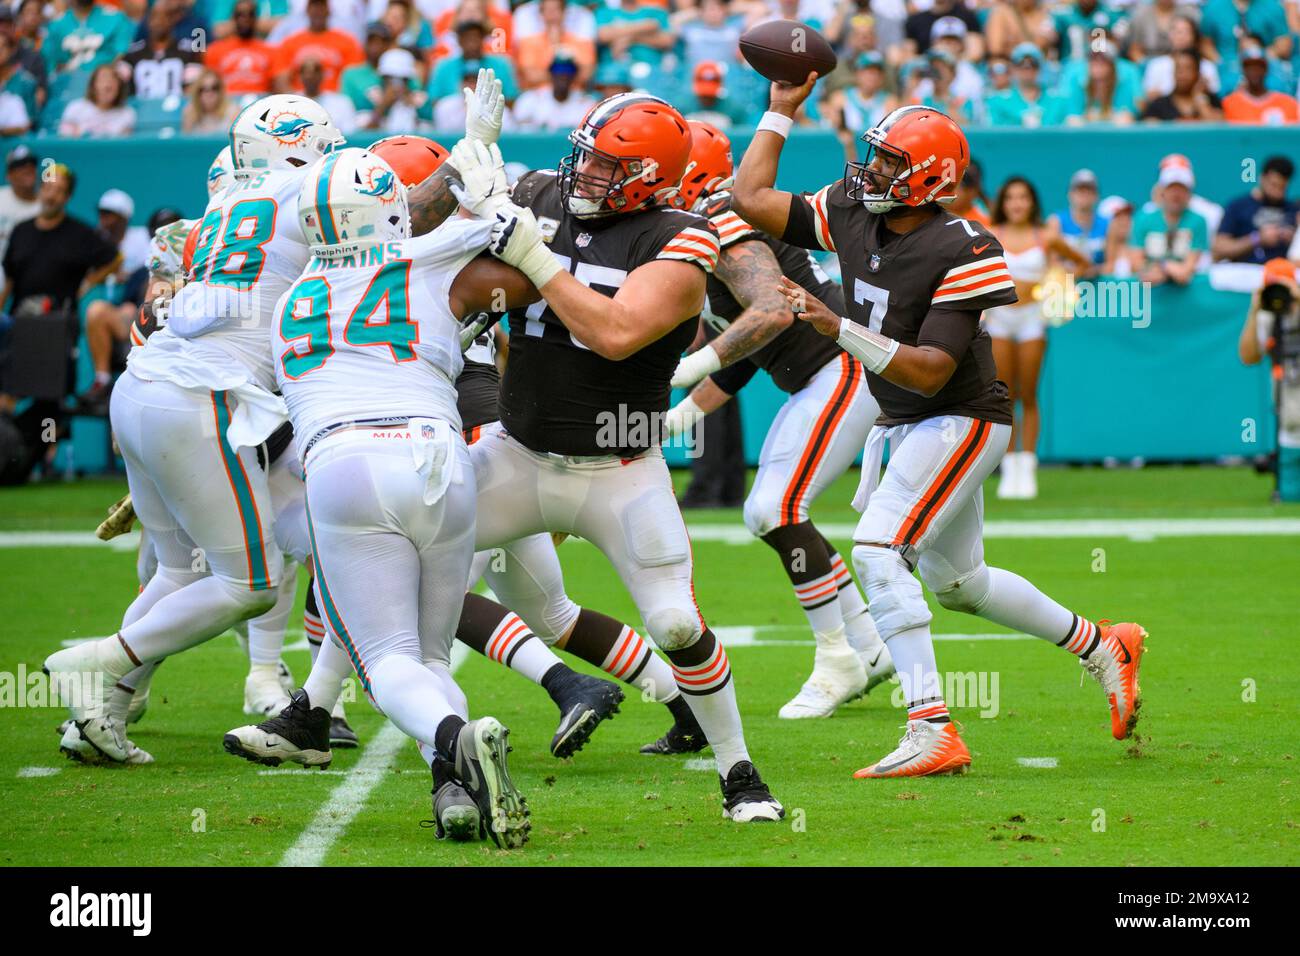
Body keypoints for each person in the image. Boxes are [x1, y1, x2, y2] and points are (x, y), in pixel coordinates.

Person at [733, 90, 1147, 777]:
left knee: (877, 550)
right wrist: (782, 108)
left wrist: (835, 326)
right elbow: (750, 196)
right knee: (962, 584)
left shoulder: (965, 246)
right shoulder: (851, 210)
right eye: (873, 156)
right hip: (906, 421)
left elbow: (930, 372)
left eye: (888, 163)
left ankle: (931, 725)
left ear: (928, 178)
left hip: (960, 417)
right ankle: (1105, 645)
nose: (869, 172)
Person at [452, 90, 786, 820]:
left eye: (604, 166)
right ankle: (332, 715)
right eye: (584, 157)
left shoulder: (683, 235)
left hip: (620, 472)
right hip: (516, 454)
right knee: (406, 571)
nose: (583, 176)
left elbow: (614, 332)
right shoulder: (540, 192)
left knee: (676, 624)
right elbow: (447, 254)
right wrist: (467, 166)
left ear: (647, 176)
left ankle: (739, 772)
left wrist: (533, 257)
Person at [40, 96, 346, 765]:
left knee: (179, 569)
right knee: (254, 581)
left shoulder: (216, 214)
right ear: (304, 149)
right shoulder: (308, 196)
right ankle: (99, 661)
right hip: (201, 402)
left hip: (141, 388)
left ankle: (100, 714)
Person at [263, 145, 532, 847]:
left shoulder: (290, 299)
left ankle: (455, 737)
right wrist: (488, 181)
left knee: (386, 661)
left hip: (349, 459)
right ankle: (457, 793)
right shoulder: (430, 256)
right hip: (443, 454)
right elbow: (515, 233)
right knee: (432, 658)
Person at [664, 121, 893, 719]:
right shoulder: (703, 222)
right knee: (776, 511)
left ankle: (838, 655)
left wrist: (688, 373)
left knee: (774, 508)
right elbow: (740, 351)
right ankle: (867, 645)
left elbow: (772, 317)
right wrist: (685, 412)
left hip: (839, 365)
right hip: (822, 374)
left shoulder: (717, 212)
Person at [1, 163, 120, 476]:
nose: (50, 195)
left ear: (66, 197)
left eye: (58, 190)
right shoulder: (21, 231)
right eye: (47, 188)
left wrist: (88, 284)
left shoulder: (79, 233)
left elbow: (114, 259)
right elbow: (10, 279)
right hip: (19, 324)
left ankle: (45, 454)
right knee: (9, 388)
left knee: (50, 400)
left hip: (57, 327)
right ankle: (11, 448)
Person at [985, 175, 1090, 500]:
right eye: (1011, 197)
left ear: (1032, 203)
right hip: (999, 318)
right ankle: (1007, 467)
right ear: (1003, 202)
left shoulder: (1045, 237)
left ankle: (1027, 467)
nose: (1017, 203)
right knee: (1002, 394)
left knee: (1027, 393)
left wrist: (1053, 283)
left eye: (1024, 197)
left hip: (1033, 319)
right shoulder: (990, 234)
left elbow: (1083, 265)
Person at [1239, 258, 1300, 501]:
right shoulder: (1268, 317)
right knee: (1290, 497)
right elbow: (1248, 356)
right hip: (1289, 422)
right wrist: (1255, 311)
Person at [1127, 162, 1207, 286]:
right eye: (1171, 188)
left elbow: (1186, 271)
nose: (1176, 194)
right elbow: (1135, 261)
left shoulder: (1198, 221)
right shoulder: (1143, 219)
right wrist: (1163, 269)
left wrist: (1165, 269)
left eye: (1181, 189)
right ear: (1162, 191)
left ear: (1189, 193)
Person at [1214, 156, 1298, 265]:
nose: (1277, 193)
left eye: (1282, 188)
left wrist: (1294, 239)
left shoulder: (1293, 210)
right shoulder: (1238, 206)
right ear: (1262, 178)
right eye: (1274, 185)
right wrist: (1257, 239)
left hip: (1282, 272)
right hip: (1245, 271)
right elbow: (1218, 251)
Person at [272, 0, 364, 93]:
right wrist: (295, 101)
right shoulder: (290, 43)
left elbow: (353, 78)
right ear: (307, 10)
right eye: (314, 7)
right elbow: (281, 80)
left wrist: (338, 99)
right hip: (300, 98)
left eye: (321, 7)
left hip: (334, 98)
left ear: (329, 10)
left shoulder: (347, 42)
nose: (318, 11)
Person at [120, 0, 202, 101]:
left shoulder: (188, 51)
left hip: (176, 111)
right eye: (153, 18)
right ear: (148, 22)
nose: (158, 22)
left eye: (164, 17)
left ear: (172, 21)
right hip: (141, 111)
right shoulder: (133, 53)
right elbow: (120, 83)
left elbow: (193, 87)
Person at [824, 52, 895, 162]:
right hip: (847, 157)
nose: (873, 76)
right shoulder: (840, 98)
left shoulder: (890, 102)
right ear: (857, 73)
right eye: (868, 71)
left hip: (877, 158)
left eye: (877, 73)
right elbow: (833, 129)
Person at [514, 0, 596, 89]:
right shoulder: (529, 43)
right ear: (541, 14)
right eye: (548, 10)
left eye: (556, 9)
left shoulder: (580, 42)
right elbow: (530, 75)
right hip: (538, 95)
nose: (552, 14)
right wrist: (567, 74)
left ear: (564, 12)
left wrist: (550, 74)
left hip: (572, 95)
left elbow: (586, 74)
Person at [205, 0, 278, 96]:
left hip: (261, 104)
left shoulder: (271, 51)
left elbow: (278, 88)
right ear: (233, 19)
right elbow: (209, 85)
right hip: (226, 105)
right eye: (240, 15)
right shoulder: (215, 50)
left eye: (250, 15)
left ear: (256, 18)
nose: (245, 19)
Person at [984, 43, 1067, 127]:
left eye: (1033, 64)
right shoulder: (998, 101)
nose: (1027, 69)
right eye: (1021, 64)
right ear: (1013, 68)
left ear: (1040, 67)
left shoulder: (1058, 100)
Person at [1047, 167, 1112, 270]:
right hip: (1064, 284)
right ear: (1070, 194)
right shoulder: (1056, 222)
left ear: (1097, 196)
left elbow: (1112, 264)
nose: (1084, 195)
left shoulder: (1108, 225)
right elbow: (1052, 263)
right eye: (1080, 190)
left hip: (1097, 285)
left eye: (1089, 190)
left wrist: (1095, 270)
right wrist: (1079, 271)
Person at [1221, 40, 1300, 123]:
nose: (1254, 71)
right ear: (1243, 70)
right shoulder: (1229, 103)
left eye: (1259, 67)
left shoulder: (1287, 103)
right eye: (1249, 67)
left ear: (1266, 69)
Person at [511, 53, 595, 132]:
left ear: (575, 75)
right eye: (557, 69)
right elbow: (518, 132)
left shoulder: (586, 104)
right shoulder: (530, 100)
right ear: (550, 73)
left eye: (569, 70)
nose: (563, 74)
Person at [1141, 49, 1223, 121]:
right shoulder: (1159, 105)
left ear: (1198, 73)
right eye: (1178, 68)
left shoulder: (1212, 101)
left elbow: (1217, 129)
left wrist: (1200, 99)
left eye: (1187, 69)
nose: (1181, 74)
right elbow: (1150, 131)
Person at [0, 146, 40, 293]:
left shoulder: (45, 207)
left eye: (31, 164)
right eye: (20, 166)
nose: (28, 169)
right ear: (9, 175)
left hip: (29, 272)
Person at [58, 62, 136, 137]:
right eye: (103, 79)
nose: (107, 84)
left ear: (119, 88)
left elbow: (125, 146)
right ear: (93, 85)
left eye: (113, 80)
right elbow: (65, 142)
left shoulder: (127, 114)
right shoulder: (75, 108)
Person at [181, 67, 241, 133]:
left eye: (214, 88)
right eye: (203, 89)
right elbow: (186, 139)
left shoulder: (232, 111)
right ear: (197, 92)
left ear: (220, 90)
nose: (209, 93)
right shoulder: (191, 112)